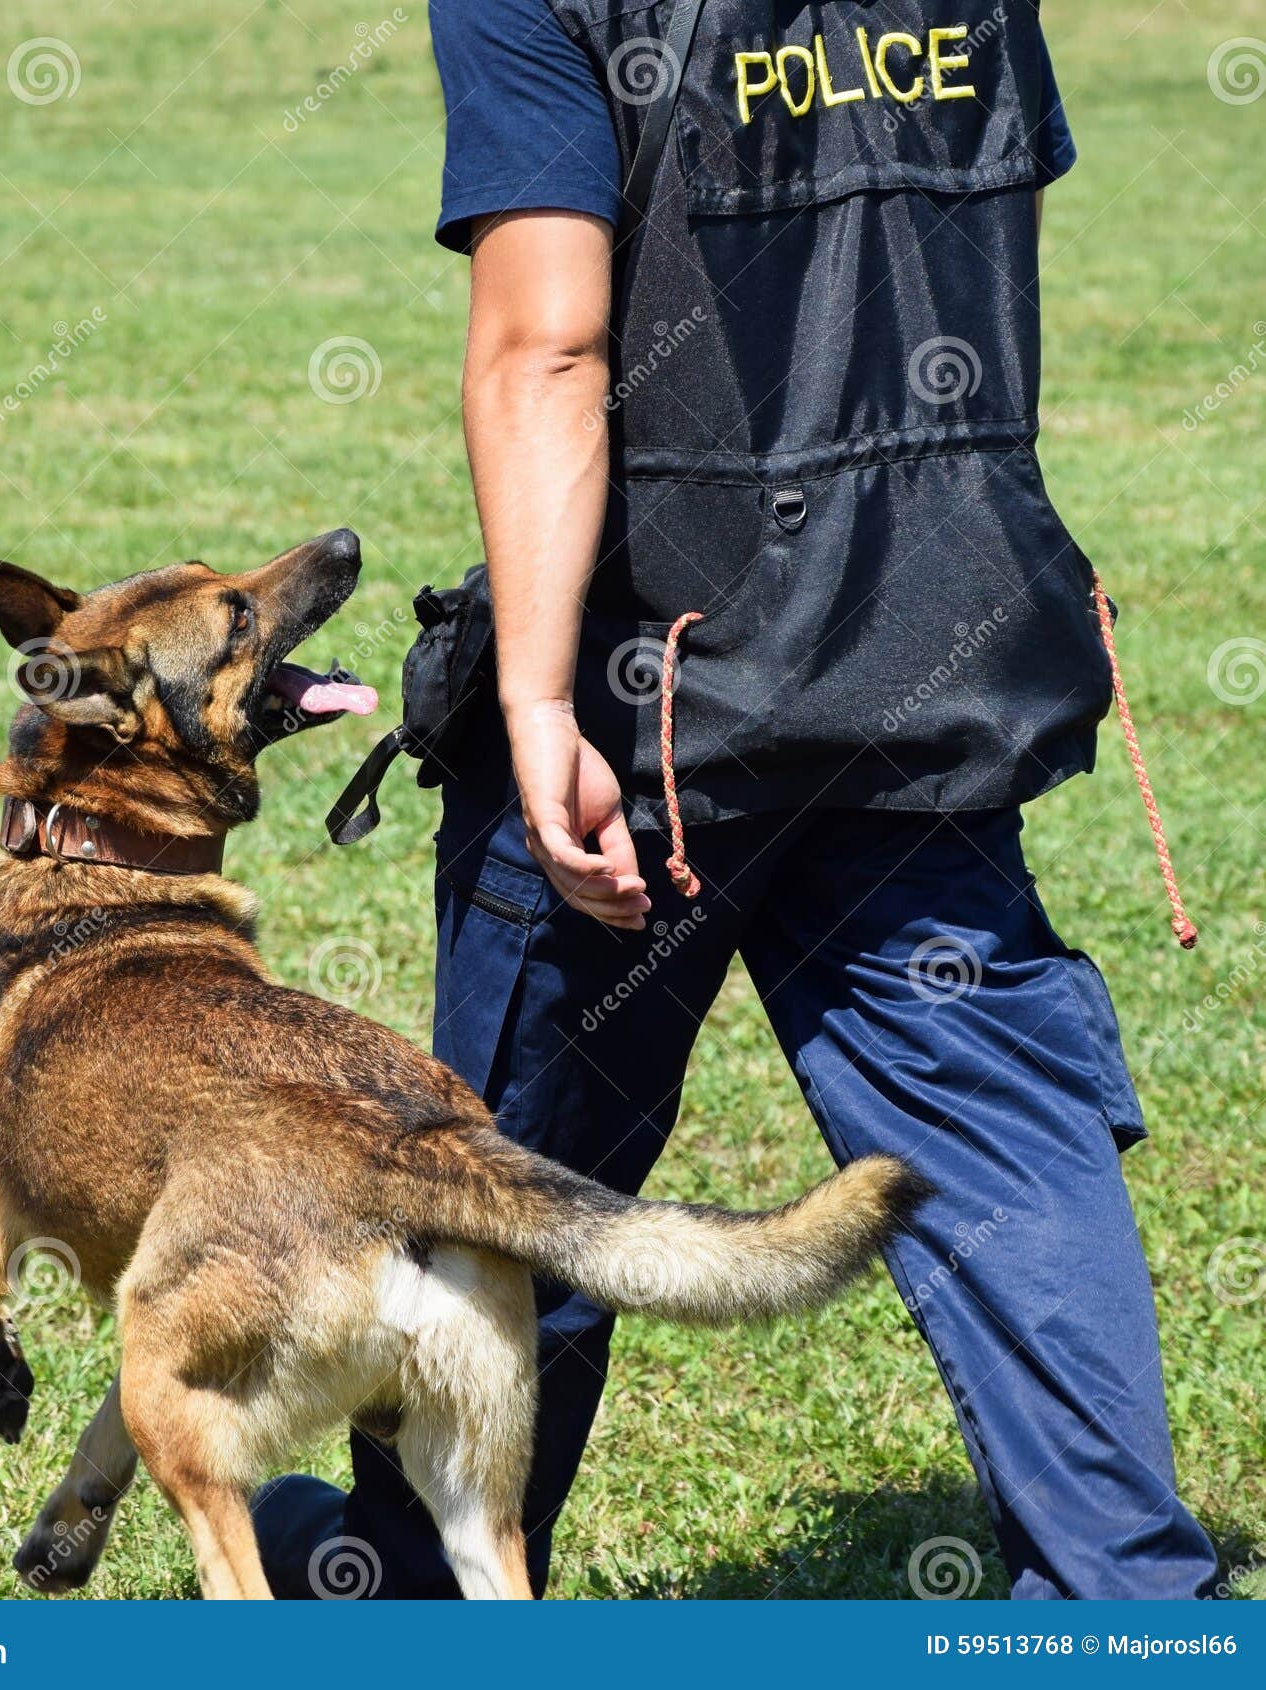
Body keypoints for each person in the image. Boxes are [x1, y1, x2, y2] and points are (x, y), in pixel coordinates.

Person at [255, 0, 1218, 1599]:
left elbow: (546, 338)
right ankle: (1133, 1604)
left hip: (652, 712)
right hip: (929, 656)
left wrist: (539, 696)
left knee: (503, 1199)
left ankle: (414, 1602)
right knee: (1001, 1150)